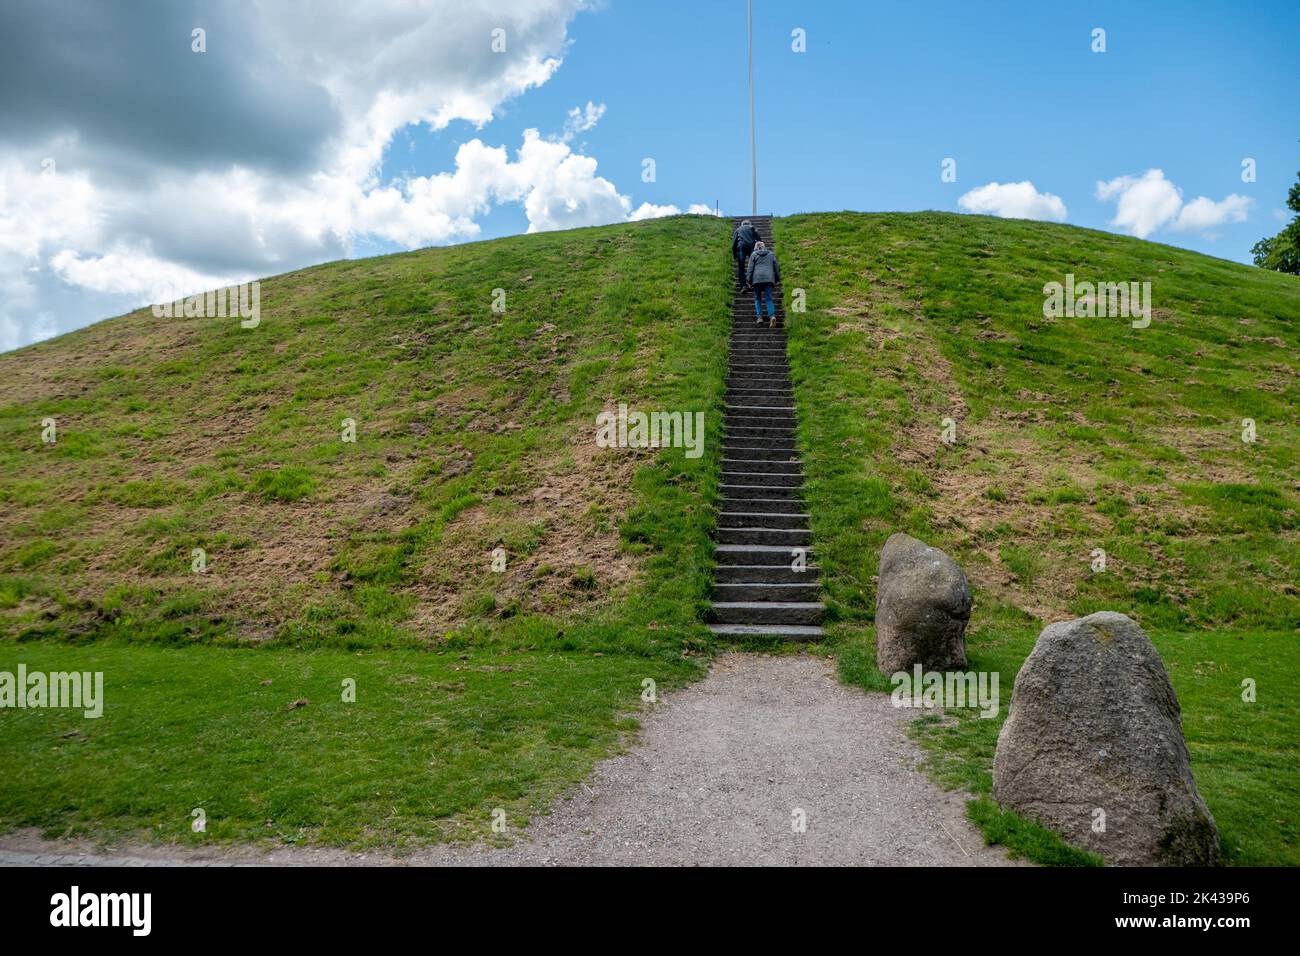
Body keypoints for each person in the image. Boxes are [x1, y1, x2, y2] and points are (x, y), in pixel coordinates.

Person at [746, 240, 780, 327]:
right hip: (768, 279)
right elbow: (776, 267)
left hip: (757, 279)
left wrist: (748, 281)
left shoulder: (753, 255)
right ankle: (772, 316)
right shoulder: (771, 254)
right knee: (769, 298)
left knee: (757, 298)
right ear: (764, 247)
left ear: (755, 248)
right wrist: (776, 279)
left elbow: (750, 269)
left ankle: (760, 317)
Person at [731, 219, 758, 289]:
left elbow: (734, 243)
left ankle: (743, 286)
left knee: (741, 267)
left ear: (742, 224)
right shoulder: (752, 228)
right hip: (751, 247)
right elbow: (759, 238)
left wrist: (734, 254)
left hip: (741, 247)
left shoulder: (738, 229)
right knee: (753, 265)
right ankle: (752, 283)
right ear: (749, 224)